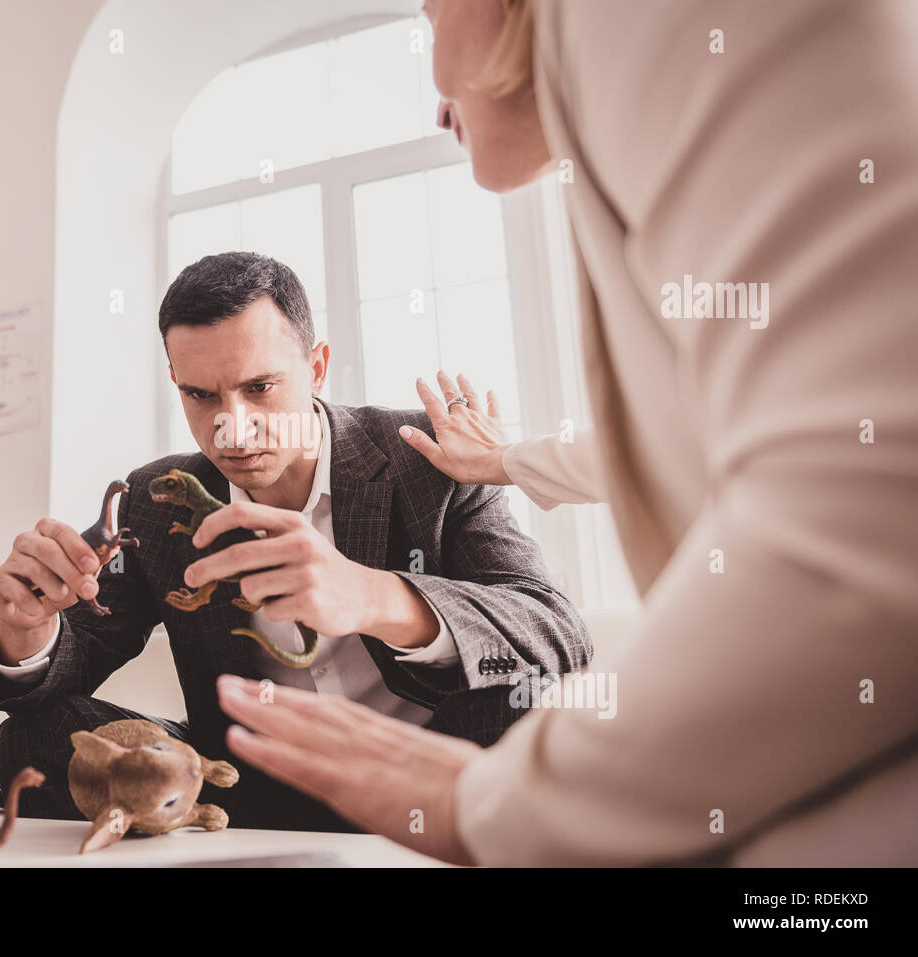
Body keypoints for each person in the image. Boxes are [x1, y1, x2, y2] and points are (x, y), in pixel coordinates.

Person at [213, 0, 918, 865]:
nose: (437, 89)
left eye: (432, 16)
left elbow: (867, 501)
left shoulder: (637, 17)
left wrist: (487, 799)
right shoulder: (159, 497)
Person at [0, 250, 590, 832]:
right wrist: (28, 629)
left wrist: (375, 597)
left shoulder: (429, 458)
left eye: (260, 388)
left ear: (317, 367)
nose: (232, 427)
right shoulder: (157, 496)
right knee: (32, 739)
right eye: (200, 395)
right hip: (251, 789)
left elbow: (558, 638)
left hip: (432, 772)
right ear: (176, 381)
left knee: (530, 704)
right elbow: (77, 656)